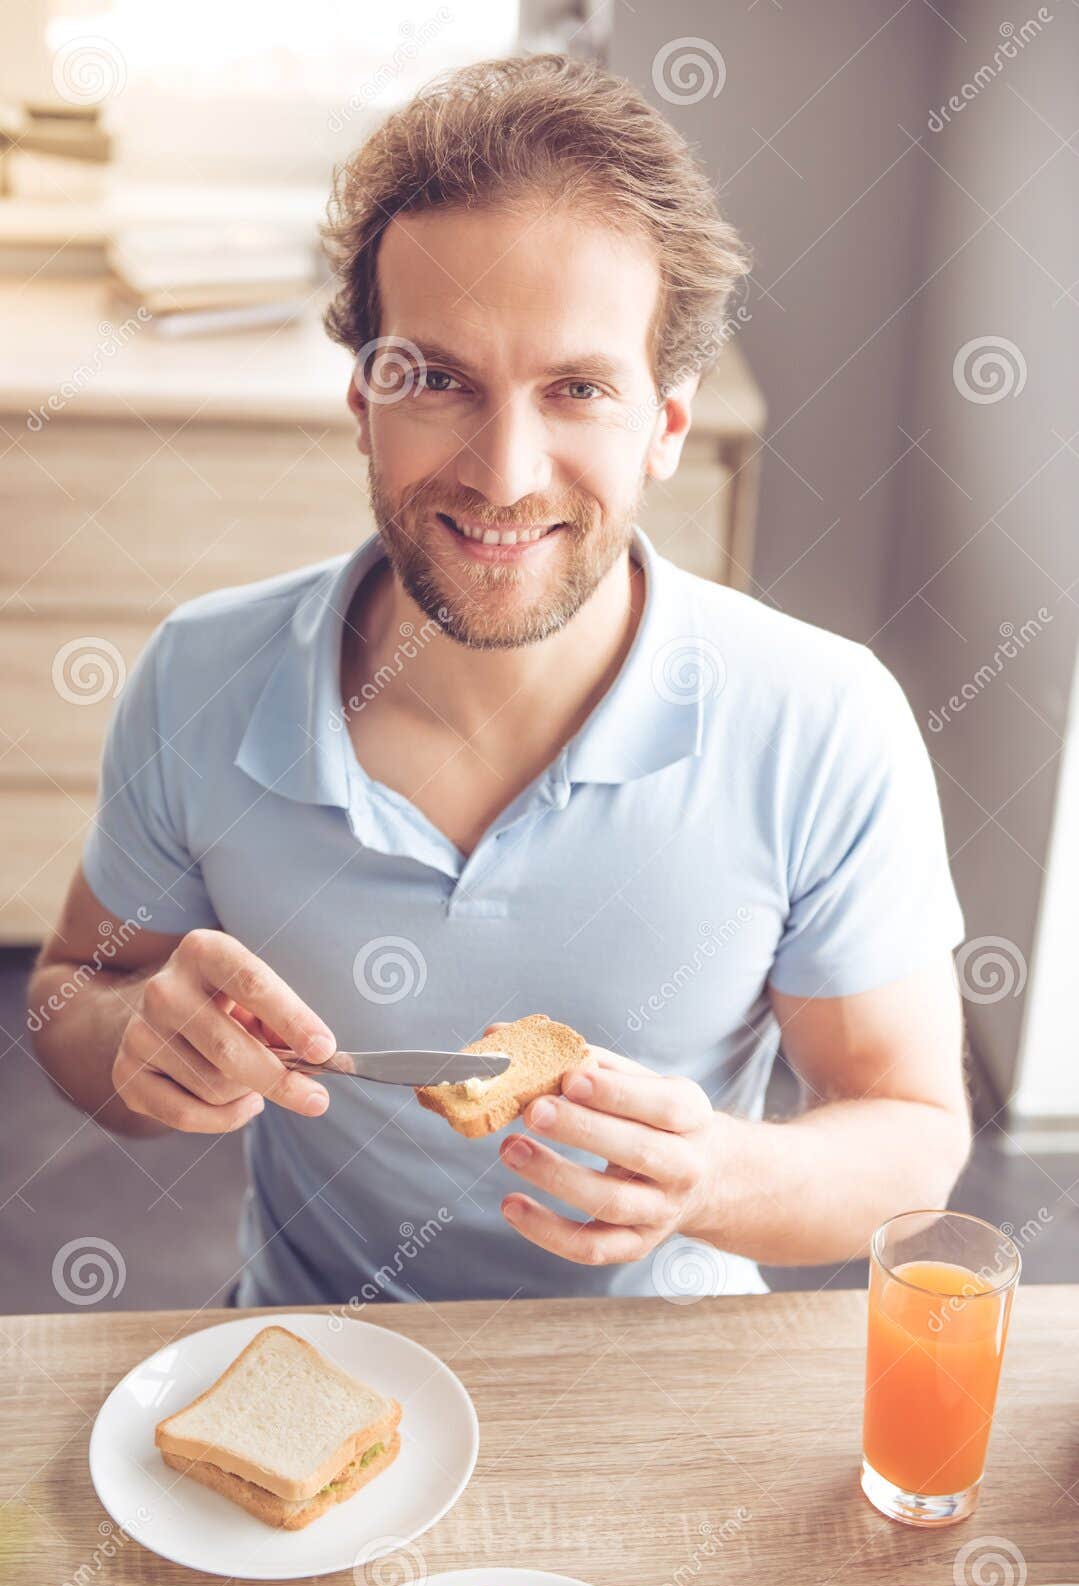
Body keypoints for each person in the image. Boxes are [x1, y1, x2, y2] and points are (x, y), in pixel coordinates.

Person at [29, 55, 969, 1307]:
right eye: (438, 380)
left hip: (658, 1390)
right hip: (319, 1350)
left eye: (576, 388)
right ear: (364, 396)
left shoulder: (822, 722)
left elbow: (909, 1130)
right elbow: (69, 999)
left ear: (664, 423)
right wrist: (133, 1045)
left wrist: (709, 1180)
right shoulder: (201, 673)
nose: (505, 472)